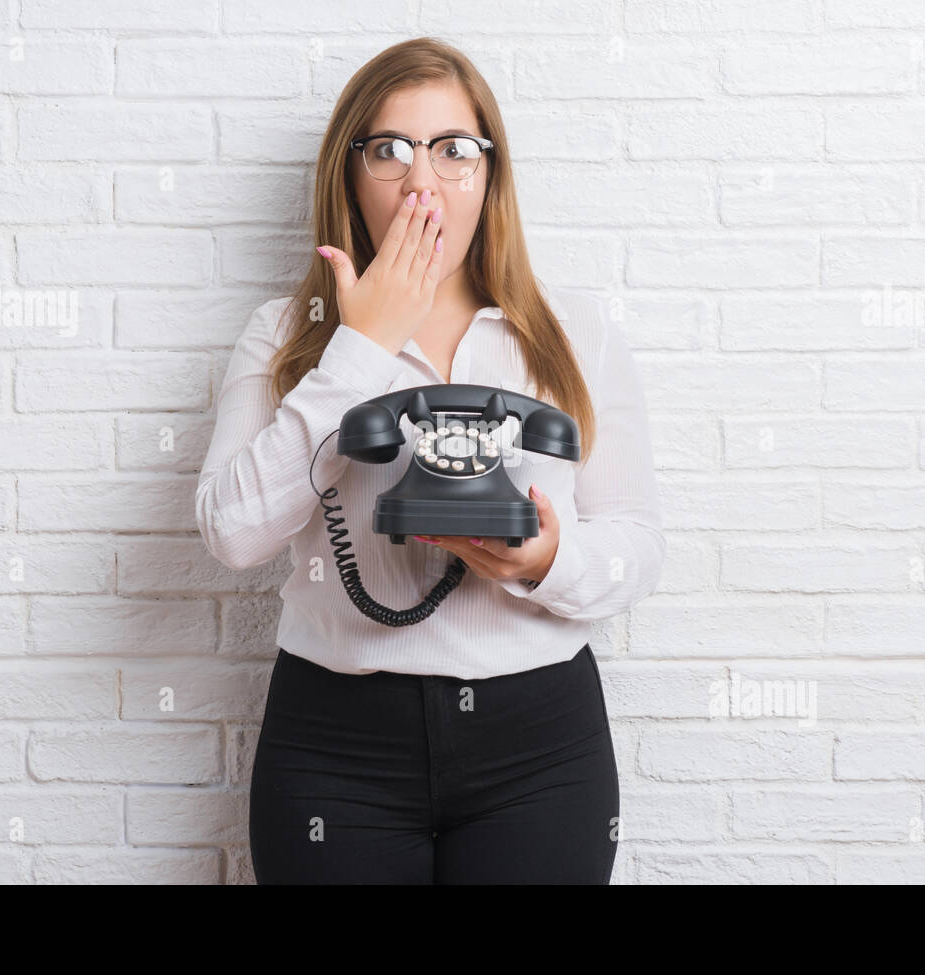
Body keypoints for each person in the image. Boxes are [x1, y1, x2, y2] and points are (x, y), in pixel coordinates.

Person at [195, 37, 665, 884]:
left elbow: (637, 543)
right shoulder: (284, 333)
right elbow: (233, 532)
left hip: (539, 744)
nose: (423, 183)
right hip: (334, 742)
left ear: (490, 175)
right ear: (351, 173)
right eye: (391, 151)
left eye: (454, 150)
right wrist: (361, 346)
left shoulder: (574, 333)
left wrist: (550, 556)